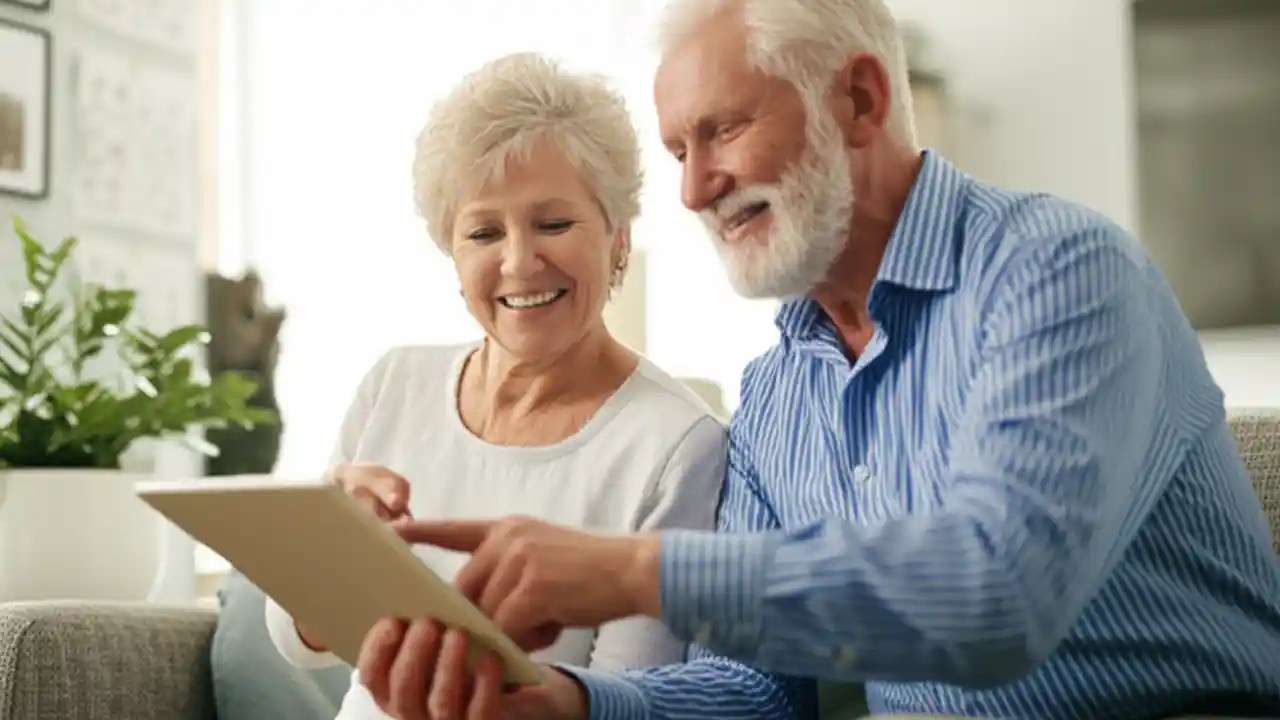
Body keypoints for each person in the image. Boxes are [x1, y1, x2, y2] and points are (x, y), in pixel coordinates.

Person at [358, 1, 1280, 719]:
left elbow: (1001, 593)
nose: (692, 188)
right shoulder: (777, 395)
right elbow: (757, 696)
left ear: (861, 100)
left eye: (722, 130)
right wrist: (564, 701)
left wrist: (631, 569)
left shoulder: (1059, 271)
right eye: (679, 149)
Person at [263, 51, 728, 720]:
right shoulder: (395, 382)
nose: (518, 261)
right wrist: (336, 553)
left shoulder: (677, 443)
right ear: (452, 252)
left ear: (617, 237)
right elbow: (295, 640)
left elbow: (627, 698)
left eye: (554, 223)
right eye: (483, 232)